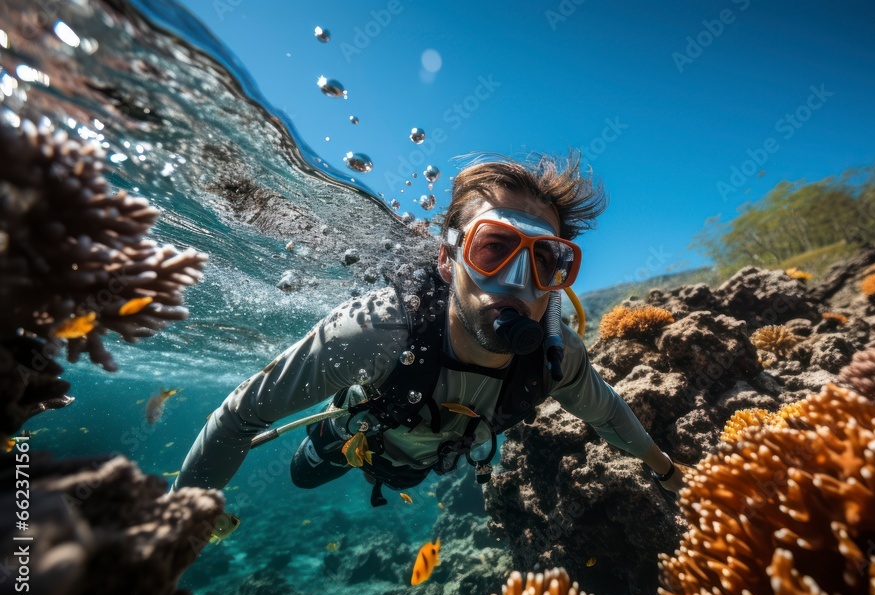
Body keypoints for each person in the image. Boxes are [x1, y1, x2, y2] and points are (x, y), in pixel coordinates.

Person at [174, 153, 684, 507]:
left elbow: (609, 413)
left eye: (544, 260)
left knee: (404, 476)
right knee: (303, 477)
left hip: (425, 461)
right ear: (447, 257)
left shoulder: (557, 357)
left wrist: (665, 471)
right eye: (493, 248)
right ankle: (326, 437)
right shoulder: (376, 331)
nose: (518, 283)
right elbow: (241, 415)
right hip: (356, 437)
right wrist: (174, 529)